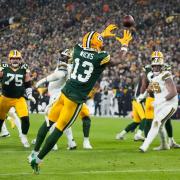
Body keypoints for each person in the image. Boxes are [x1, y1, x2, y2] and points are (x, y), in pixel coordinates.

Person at [29, 25, 132, 174]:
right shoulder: (100, 57)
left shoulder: (77, 49)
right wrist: (124, 45)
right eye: (100, 42)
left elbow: (88, 45)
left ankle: (34, 152)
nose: (102, 45)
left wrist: (102, 34)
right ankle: (37, 160)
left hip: (64, 92)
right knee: (59, 129)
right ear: (96, 44)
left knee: (48, 122)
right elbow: (118, 60)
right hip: (75, 99)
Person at [31, 50, 92, 151]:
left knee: (50, 119)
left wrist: (42, 81)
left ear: (70, 59)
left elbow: (58, 75)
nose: (62, 58)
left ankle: (53, 144)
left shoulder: (66, 66)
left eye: (65, 57)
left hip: (59, 96)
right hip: (66, 95)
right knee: (63, 119)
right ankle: (71, 142)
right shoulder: (73, 67)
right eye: (62, 56)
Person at [139, 51, 178, 152]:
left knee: (156, 122)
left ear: (162, 66)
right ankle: (164, 145)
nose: (156, 68)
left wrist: (161, 101)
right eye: (154, 66)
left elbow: (173, 92)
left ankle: (145, 145)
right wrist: (142, 96)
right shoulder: (154, 78)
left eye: (158, 66)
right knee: (160, 126)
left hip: (170, 104)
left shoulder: (166, 74)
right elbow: (149, 89)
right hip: (159, 105)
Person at [0, 50, 36, 148]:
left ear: (20, 59)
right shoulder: (4, 68)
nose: (15, 60)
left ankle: (23, 136)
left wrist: (29, 95)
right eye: (13, 59)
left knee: (25, 119)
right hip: (5, 98)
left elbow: (28, 83)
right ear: (9, 59)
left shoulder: (24, 68)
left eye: (17, 59)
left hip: (18, 98)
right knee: (0, 120)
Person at [115, 68, 147, 141]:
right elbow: (143, 89)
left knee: (137, 121)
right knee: (144, 118)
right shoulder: (145, 78)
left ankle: (121, 134)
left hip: (135, 101)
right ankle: (138, 135)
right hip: (139, 101)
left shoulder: (140, 78)